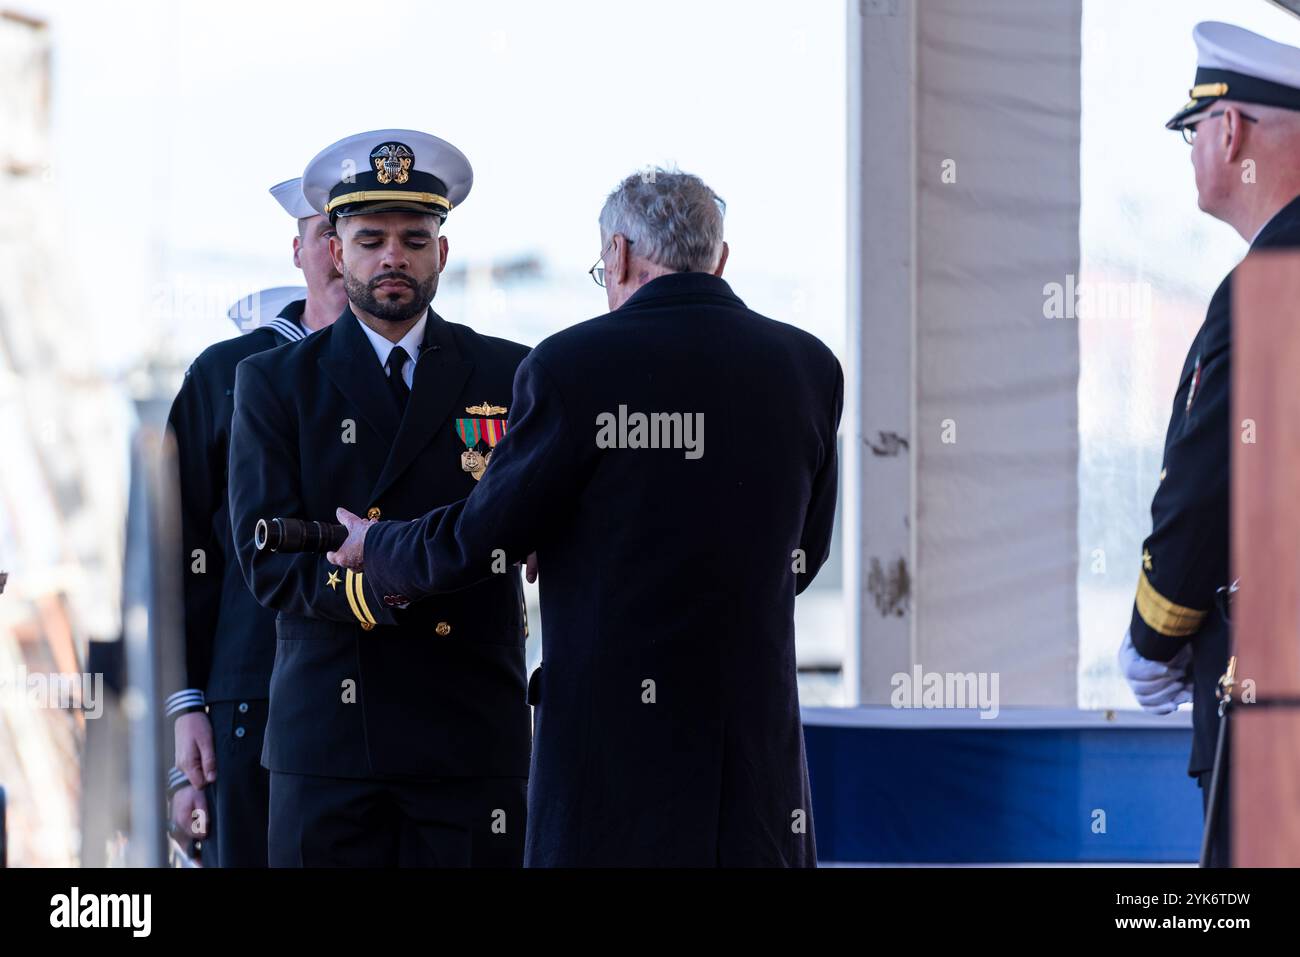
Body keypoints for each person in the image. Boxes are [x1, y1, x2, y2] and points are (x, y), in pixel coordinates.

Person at [328, 168, 843, 867]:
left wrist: (376, 542)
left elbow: (480, 539)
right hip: (755, 782)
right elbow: (802, 561)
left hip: (614, 783)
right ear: (718, 260)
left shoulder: (574, 365)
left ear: (622, 255)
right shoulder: (809, 367)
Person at [227, 130, 532, 867]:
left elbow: (527, 529)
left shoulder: (513, 373)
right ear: (336, 252)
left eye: (413, 238)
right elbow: (266, 558)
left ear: (442, 254)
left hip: (467, 737)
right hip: (331, 743)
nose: (393, 256)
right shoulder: (274, 383)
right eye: (371, 239)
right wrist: (390, 584)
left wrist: (388, 549)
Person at [1119, 21, 1300, 868]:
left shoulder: (1267, 284)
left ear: (1229, 131)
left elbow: (1202, 491)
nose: (1194, 150)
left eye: (1194, 131)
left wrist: (1154, 638)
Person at [165, 177, 347, 866]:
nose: (337, 250)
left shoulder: (414, 370)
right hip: (249, 692)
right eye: (323, 232)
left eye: (352, 233)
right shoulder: (226, 372)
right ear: (296, 249)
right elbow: (176, 550)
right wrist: (186, 708)